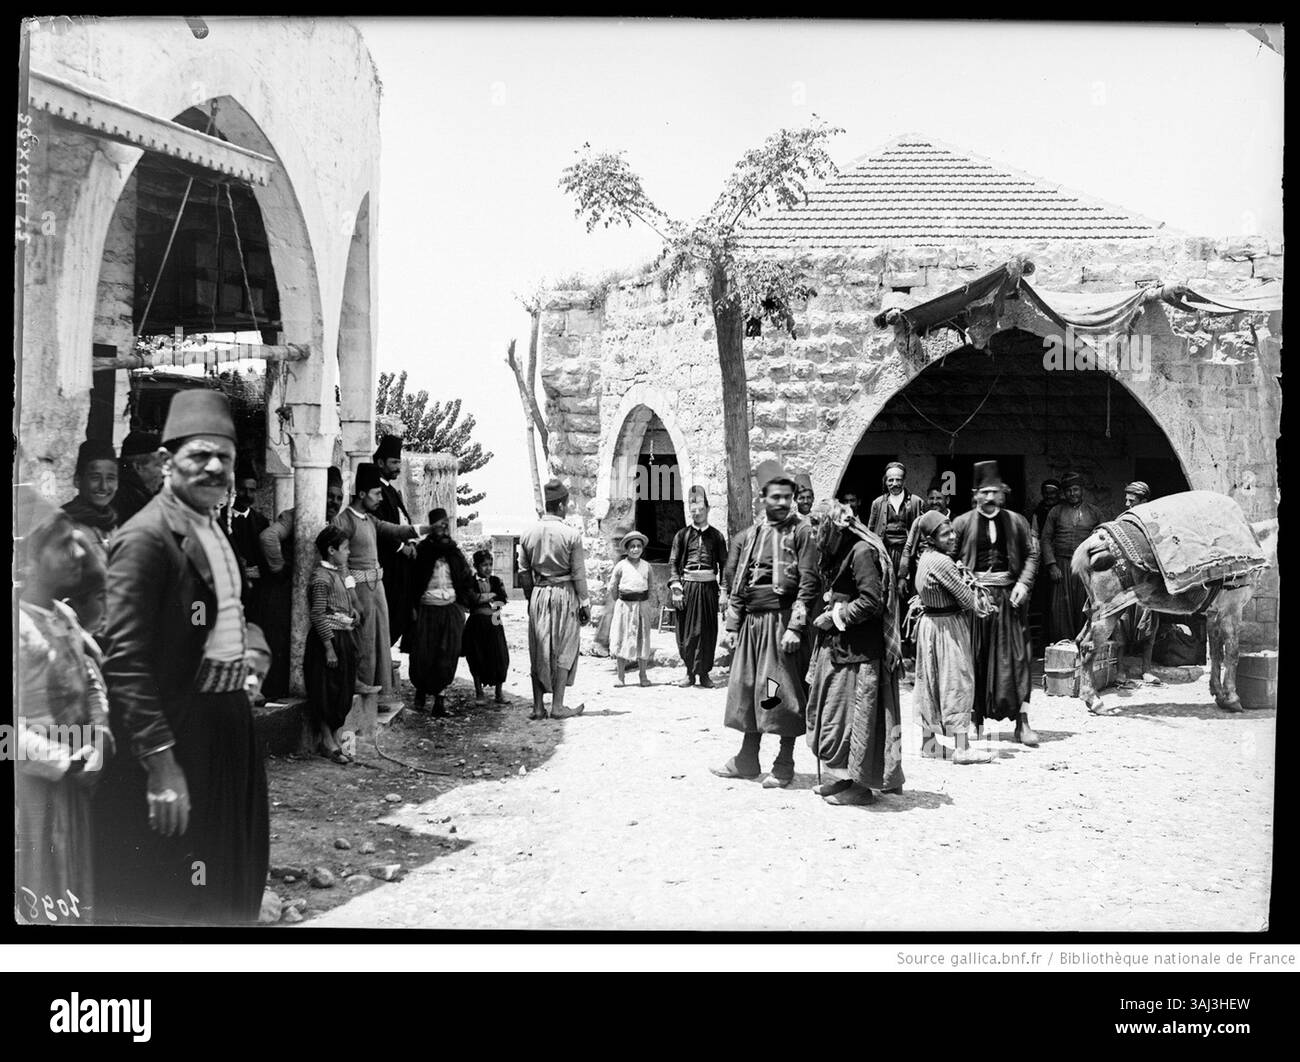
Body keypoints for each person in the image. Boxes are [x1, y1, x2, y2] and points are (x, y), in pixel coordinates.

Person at [95, 389, 270, 924]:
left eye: (225, 456)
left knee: (232, 868)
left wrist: (253, 659)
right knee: (178, 890)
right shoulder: (146, 540)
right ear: (169, 462)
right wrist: (162, 765)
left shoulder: (210, 526)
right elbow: (123, 661)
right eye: (199, 455)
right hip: (180, 732)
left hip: (228, 726)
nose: (214, 466)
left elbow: (233, 614)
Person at [16, 486, 115, 924]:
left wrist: (98, 739)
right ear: (28, 562)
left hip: (73, 782)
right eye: (62, 545)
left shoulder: (65, 615)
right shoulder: (18, 626)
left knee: (72, 891)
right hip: (31, 791)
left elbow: (92, 682)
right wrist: (64, 760)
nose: (78, 551)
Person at [711, 474, 819, 789]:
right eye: (776, 497)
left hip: (783, 625)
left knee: (779, 692)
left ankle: (784, 763)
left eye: (787, 497)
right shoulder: (754, 534)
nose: (782, 503)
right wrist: (732, 624)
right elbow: (740, 578)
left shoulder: (802, 532)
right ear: (764, 499)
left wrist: (796, 626)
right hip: (752, 626)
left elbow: (809, 582)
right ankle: (747, 758)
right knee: (748, 688)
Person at [804, 501, 905, 805]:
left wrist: (834, 616)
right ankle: (846, 779)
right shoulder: (842, 551)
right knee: (838, 718)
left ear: (832, 528)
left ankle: (862, 787)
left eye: (817, 527)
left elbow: (871, 601)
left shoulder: (861, 552)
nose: (813, 535)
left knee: (857, 720)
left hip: (860, 652)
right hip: (842, 648)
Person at [950, 460, 1041, 747]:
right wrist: (964, 589)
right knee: (976, 658)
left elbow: (1032, 555)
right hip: (974, 602)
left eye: (995, 492)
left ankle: (1022, 723)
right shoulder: (961, 523)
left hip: (1009, 601)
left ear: (1003, 493)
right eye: (984, 492)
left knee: (1018, 662)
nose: (990, 498)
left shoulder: (1017, 521)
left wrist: (1024, 584)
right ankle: (975, 718)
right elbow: (949, 559)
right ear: (974, 493)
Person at [331, 463, 427, 707]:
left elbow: (396, 531)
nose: (380, 498)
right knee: (363, 640)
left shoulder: (371, 519)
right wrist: (352, 596)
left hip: (378, 588)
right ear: (362, 494)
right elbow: (341, 564)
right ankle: (361, 687)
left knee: (381, 640)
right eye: (376, 493)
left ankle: (381, 694)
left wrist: (427, 529)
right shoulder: (345, 521)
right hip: (359, 590)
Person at [908, 509, 991, 765]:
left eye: (952, 531)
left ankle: (929, 743)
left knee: (930, 682)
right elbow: (967, 600)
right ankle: (962, 748)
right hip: (947, 629)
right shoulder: (943, 563)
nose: (953, 537)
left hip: (930, 626)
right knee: (957, 680)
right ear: (931, 539)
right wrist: (972, 585)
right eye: (945, 535)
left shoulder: (926, 558)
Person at [256, 466, 346, 699]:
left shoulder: (334, 523)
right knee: (279, 644)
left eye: (339, 497)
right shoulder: (295, 515)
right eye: (329, 496)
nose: (334, 502)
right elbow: (268, 537)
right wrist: (280, 568)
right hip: (282, 593)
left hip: (314, 596)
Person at [517, 478, 591, 720]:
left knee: (538, 647)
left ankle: (538, 707)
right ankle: (558, 706)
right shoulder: (571, 534)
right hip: (565, 593)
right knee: (565, 648)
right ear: (561, 505)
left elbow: (523, 572)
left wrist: (531, 598)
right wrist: (585, 602)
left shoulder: (528, 533)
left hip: (539, 593)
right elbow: (578, 574)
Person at [409, 508, 477, 716]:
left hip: (450, 611)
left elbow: (466, 579)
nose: (443, 528)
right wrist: (412, 608)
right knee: (423, 655)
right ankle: (421, 690)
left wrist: (463, 605)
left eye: (446, 524)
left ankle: (440, 700)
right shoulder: (422, 551)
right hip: (427, 610)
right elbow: (411, 582)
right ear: (431, 526)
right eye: (439, 524)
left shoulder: (454, 552)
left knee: (447, 656)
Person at [305, 526, 361, 763]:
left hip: (344, 638)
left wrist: (353, 612)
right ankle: (327, 742)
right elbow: (318, 614)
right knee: (327, 692)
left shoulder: (337, 574)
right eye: (345, 548)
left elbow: (342, 603)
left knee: (343, 691)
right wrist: (329, 648)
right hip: (327, 642)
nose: (348, 553)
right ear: (331, 550)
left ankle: (338, 740)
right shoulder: (320, 578)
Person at [667, 486, 727, 688]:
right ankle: (689, 673)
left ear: (708, 509)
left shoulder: (717, 537)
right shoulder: (682, 536)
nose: (697, 512)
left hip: (709, 588)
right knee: (687, 631)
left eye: (700, 508)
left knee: (708, 631)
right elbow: (674, 562)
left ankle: (705, 675)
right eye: (693, 509)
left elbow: (725, 566)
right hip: (687, 588)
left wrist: (724, 592)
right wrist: (676, 586)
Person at [60, 438, 120, 636]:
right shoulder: (64, 526)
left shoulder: (112, 526)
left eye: (111, 478)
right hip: (80, 631)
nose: (104, 486)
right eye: (95, 477)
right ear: (78, 480)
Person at [1041, 471, 1107, 644]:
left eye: (1076, 489)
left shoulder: (1094, 512)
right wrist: (1051, 565)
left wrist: (1097, 565)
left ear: (1082, 490)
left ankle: (1082, 645)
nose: (1073, 493)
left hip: (1085, 566)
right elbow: (1046, 539)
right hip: (1062, 565)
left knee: (1084, 606)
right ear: (1064, 492)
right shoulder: (1056, 511)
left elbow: (1104, 537)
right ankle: (1063, 646)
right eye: (1069, 490)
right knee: (1060, 610)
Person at [373, 435, 418, 651]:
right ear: (380, 463)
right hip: (388, 567)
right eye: (394, 463)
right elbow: (379, 528)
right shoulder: (376, 492)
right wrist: (402, 548)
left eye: (399, 463)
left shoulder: (391, 490)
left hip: (401, 568)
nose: (397, 468)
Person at [1114, 480, 1162, 683]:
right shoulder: (1122, 521)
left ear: (1144, 501)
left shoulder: (1154, 521)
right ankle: (1120, 671)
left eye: (1131, 500)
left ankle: (1146, 670)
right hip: (1127, 582)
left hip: (1149, 581)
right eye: (1126, 499)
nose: (1127, 504)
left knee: (1150, 626)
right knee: (1121, 626)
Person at [867, 461, 926, 600]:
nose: (894, 484)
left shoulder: (916, 502)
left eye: (898, 480)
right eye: (890, 480)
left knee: (908, 594)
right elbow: (870, 533)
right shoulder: (878, 503)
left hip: (908, 555)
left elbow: (923, 535)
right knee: (886, 594)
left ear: (904, 481)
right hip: (885, 554)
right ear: (885, 481)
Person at [608, 530, 656, 687]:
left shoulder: (646, 566)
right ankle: (620, 676)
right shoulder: (621, 566)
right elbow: (613, 587)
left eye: (638, 546)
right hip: (624, 607)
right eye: (632, 546)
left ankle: (643, 675)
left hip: (642, 605)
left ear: (642, 548)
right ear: (627, 549)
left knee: (642, 639)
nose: (635, 549)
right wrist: (621, 602)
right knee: (622, 638)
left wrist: (647, 605)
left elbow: (651, 587)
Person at [463, 549, 510, 705]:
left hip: (495, 620)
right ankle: (479, 693)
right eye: (484, 565)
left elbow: (502, 599)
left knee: (499, 655)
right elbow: (471, 600)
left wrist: (487, 599)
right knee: (477, 656)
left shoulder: (496, 581)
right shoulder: (470, 581)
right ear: (476, 566)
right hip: (476, 622)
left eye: (490, 564)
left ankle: (499, 693)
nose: (488, 568)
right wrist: (490, 596)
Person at [900, 476, 950, 597]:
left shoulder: (954, 522)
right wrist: (902, 577)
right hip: (922, 577)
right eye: (931, 498)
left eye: (939, 498)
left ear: (947, 500)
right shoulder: (919, 522)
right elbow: (908, 549)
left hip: (947, 578)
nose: (934, 502)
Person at [114, 430, 165, 525]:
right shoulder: (125, 502)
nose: (164, 472)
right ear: (138, 467)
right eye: (158, 465)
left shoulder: (139, 495)